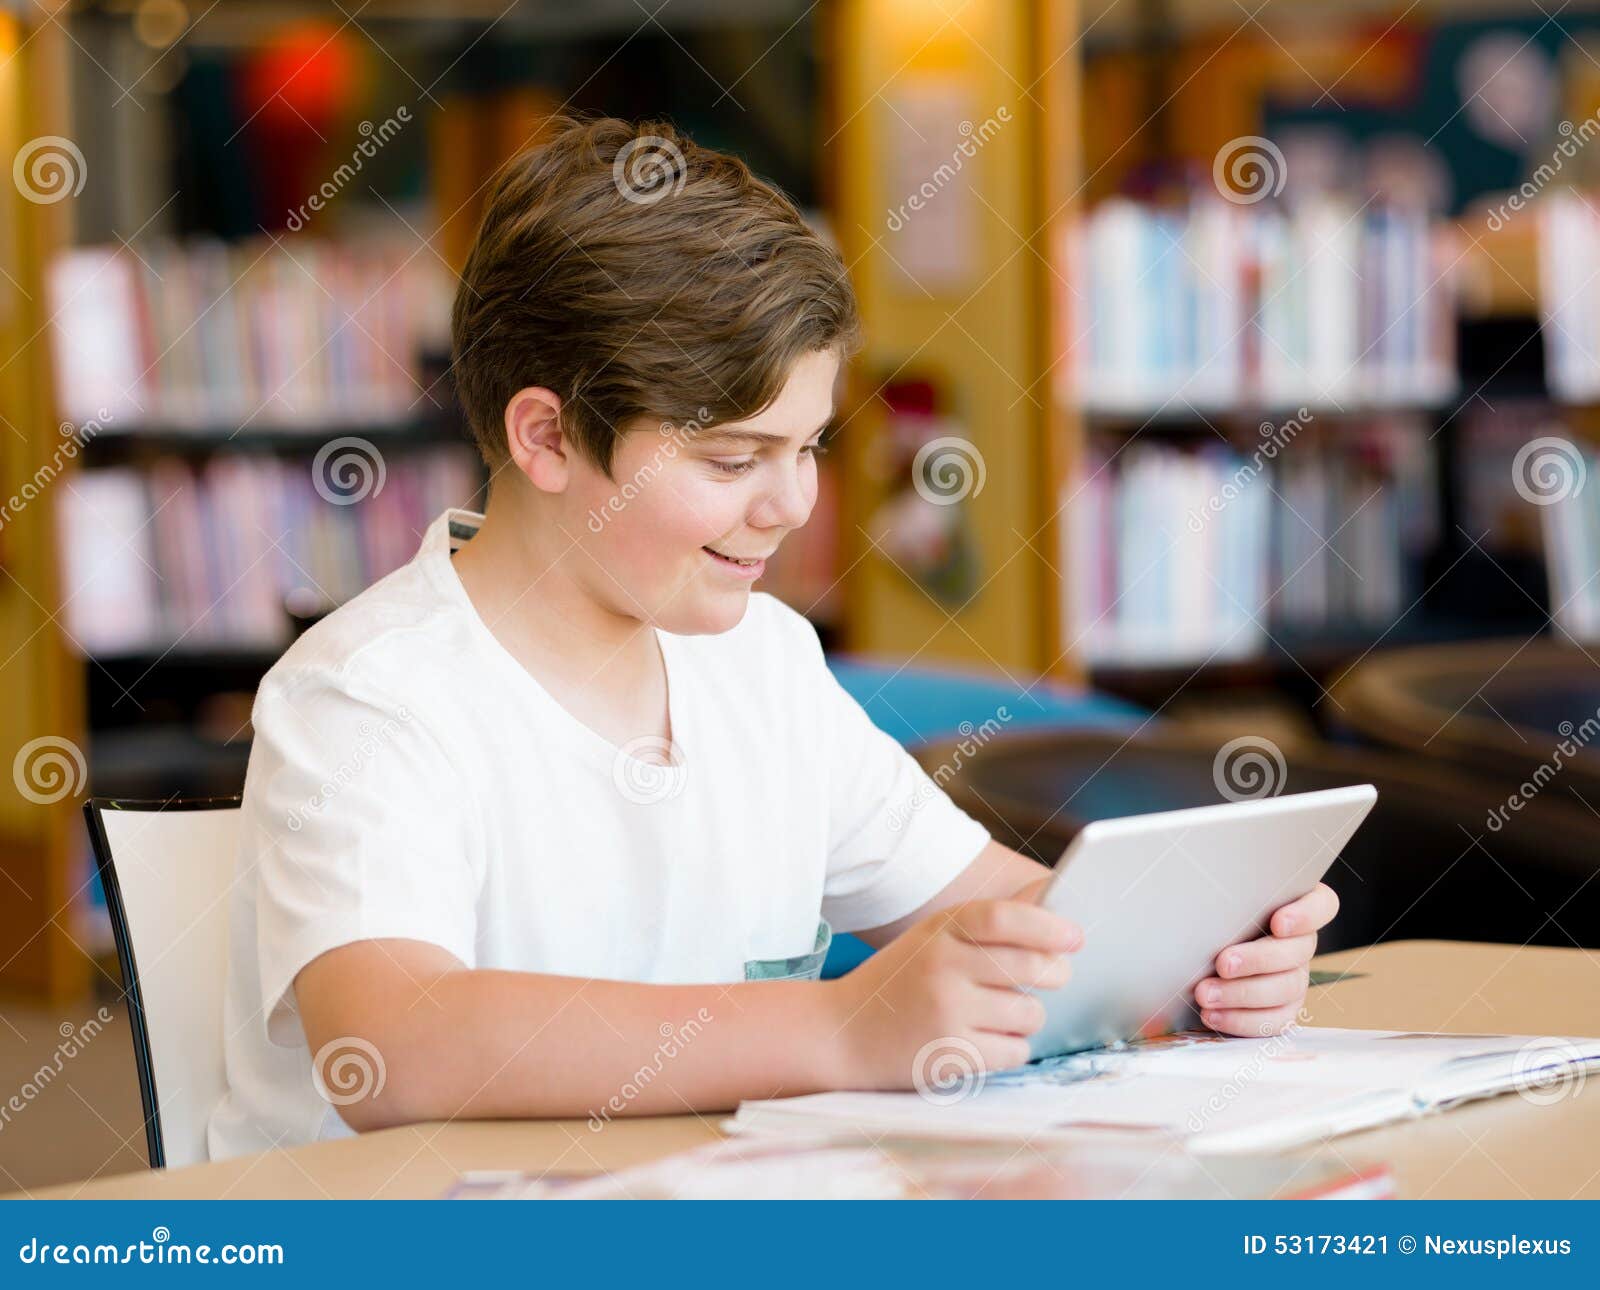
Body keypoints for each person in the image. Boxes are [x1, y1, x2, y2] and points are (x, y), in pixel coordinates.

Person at [207, 117, 1337, 1158]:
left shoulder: (761, 663)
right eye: (732, 460)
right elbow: (395, 1045)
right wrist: (838, 1028)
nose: (792, 504)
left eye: (807, 449)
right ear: (547, 438)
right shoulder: (369, 696)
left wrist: (1191, 963)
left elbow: (1022, 922)